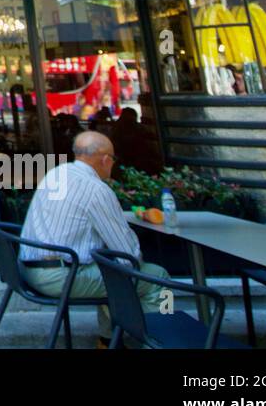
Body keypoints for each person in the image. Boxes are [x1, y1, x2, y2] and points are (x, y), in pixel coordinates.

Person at [19, 131, 170, 347]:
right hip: (60, 278)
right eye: (113, 160)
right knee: (159, 279)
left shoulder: (57, 174)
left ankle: (108, 341)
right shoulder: (96, 189)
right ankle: (164, 339)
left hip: (28, 270)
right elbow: (129, 254)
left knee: (108, 268)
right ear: (106, 159)